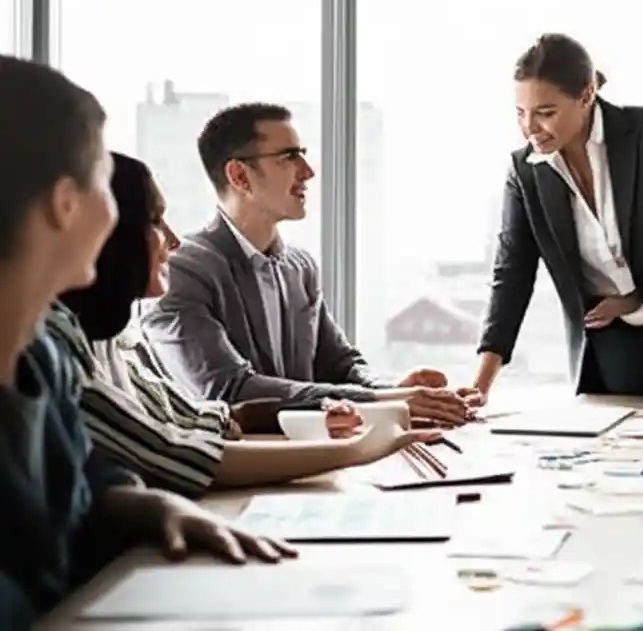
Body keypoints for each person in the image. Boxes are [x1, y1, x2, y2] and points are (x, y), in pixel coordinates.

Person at [0, 55, 292, 626]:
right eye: (99, 179)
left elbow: (88, 482)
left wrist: (148, 505)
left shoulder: (44, 358)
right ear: (65, 203)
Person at [53, 153, 441, 498]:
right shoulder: (189, 269)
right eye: (289, 157)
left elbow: (184, 414)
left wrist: (370, 398)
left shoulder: (113, 336)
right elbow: (174, 447)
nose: (172, 240)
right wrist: (362, 444)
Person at [141, 103, 468, 426]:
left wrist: (395, 388)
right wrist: (387, 402)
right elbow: (228, 390)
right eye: (288, 157)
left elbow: (341, 365)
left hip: (310, 456)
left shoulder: (300, 267)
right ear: (240, 175)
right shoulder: (181, 269)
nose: (308, 171)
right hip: (235, 467)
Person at [470, 33, 643, 401]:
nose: (530, 127)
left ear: (587, 94)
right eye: (521, 112)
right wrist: (479, 387)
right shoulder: (525, 170)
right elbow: (511, 273)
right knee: (624, 442)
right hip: (612, 333)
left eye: (546, 113)